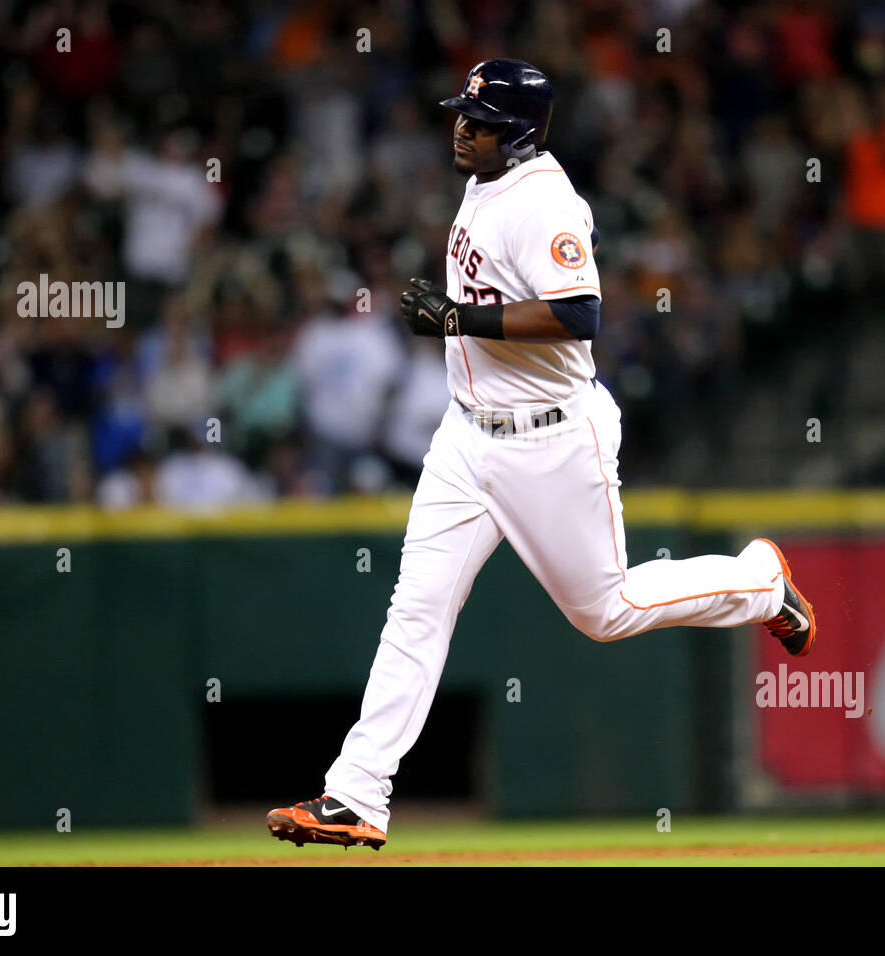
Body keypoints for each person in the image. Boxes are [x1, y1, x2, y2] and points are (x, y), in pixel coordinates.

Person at [266, 60, 817, 850]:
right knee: (416, 610)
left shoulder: (545, 202)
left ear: (520, 130)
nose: (463, 126)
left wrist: (459, 319)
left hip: (551, 439)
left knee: (607, 611)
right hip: (465, 436)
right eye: (462, 113)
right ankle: (356, 795)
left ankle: (762, 583)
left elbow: (579, 312)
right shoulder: (485, 180)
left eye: (480, 119)